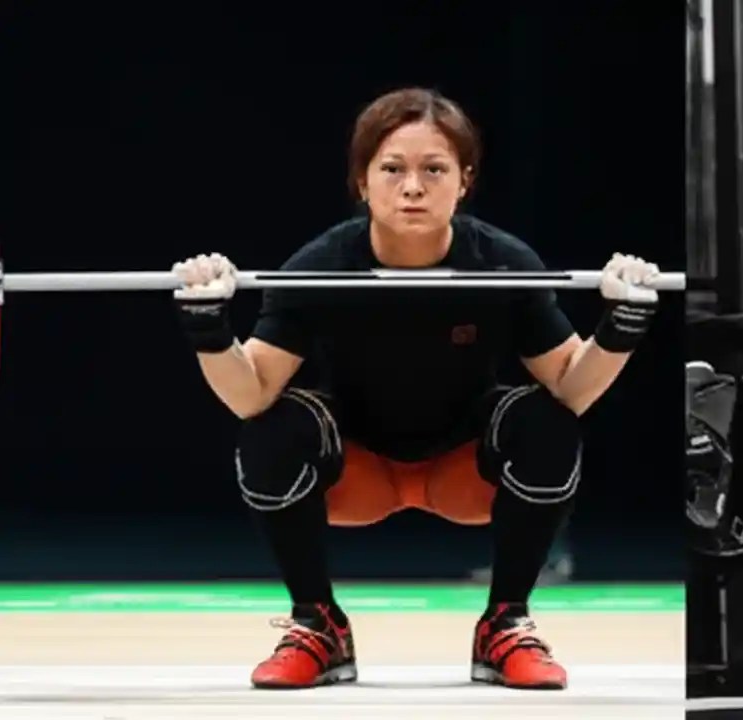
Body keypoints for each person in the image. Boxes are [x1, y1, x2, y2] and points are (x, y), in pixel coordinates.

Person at [170, 87, 663, 691]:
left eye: (434, 170)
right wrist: (208, 327)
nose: (413, 188)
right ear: (362, 181)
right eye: (392, 169)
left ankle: (505, 622)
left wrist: (621, 326)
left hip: (464, 471)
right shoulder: (319, 266)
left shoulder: (503, 263)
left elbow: (572, 386)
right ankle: (317, 625)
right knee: (271, 427)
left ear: (464, 180)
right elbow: (250, 393)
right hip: (358, 472)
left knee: (548, 421)